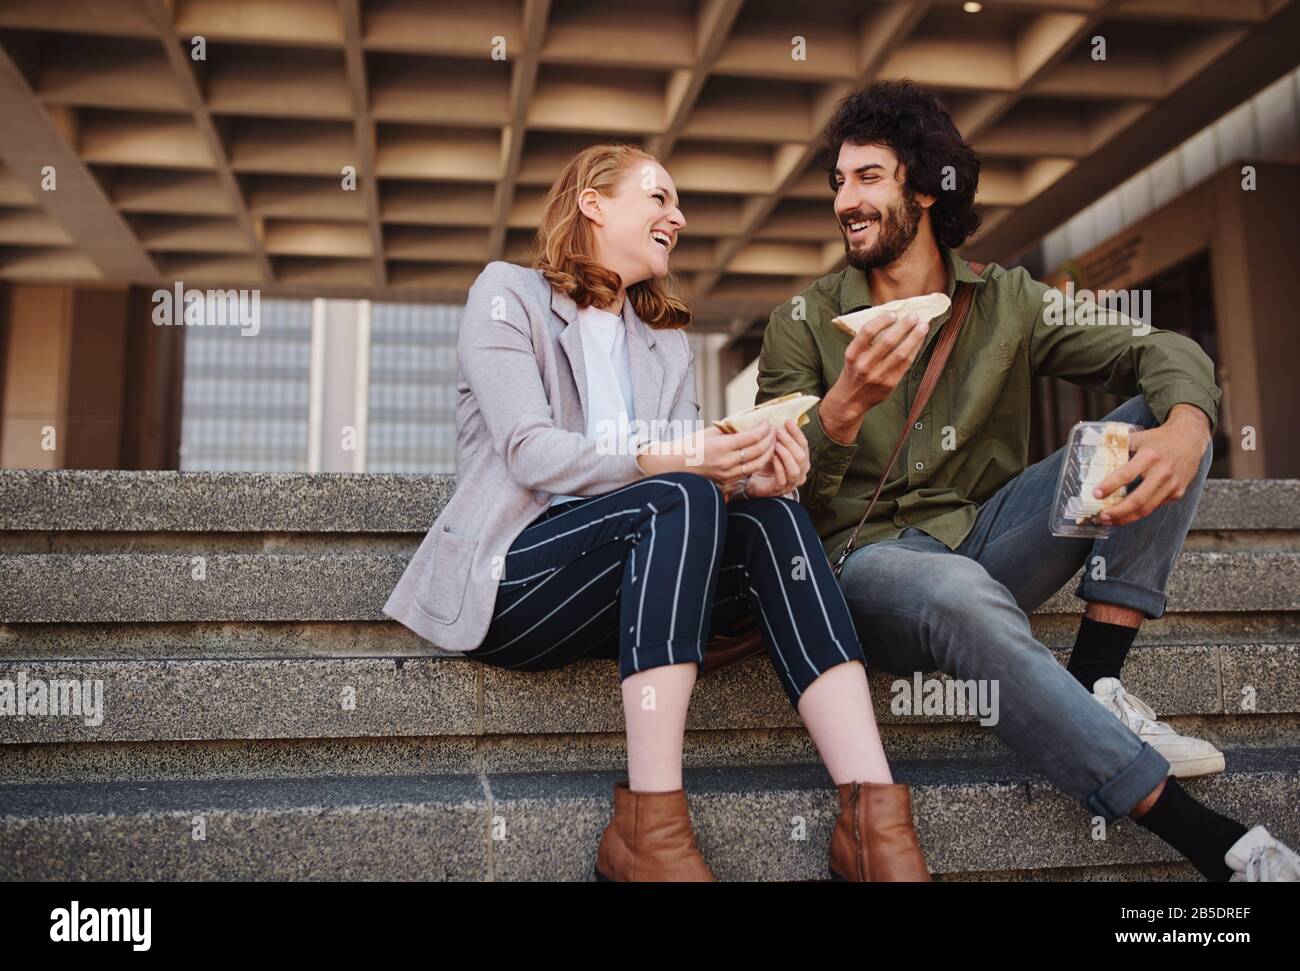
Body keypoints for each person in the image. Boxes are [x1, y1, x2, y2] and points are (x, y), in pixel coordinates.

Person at [755, 80, 1299, 882]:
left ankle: (1096, 677)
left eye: (867, 177)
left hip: (985, 538)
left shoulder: (1007, 302)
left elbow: (1160, 349)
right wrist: (841, 410)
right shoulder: (799, 324)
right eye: (838, 181)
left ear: (927, 188)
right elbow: (771, 487)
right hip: (860, 566)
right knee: (955, 592)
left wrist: (1188, 427)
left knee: (1161, 413)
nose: (845, 199)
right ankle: (1206, 838)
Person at [384, 142, 928, 882]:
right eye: (659, 198)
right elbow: (530, 451)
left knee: (768, 517)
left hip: (637, 578)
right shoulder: (506, 293)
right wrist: (673, 458)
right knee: (678, 491)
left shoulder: (665, 347)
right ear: (593, 202)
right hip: (519, 576)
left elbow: (702, 483)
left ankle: (875, 822)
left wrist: (758, 472)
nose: (678, 216)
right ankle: (650, 823)